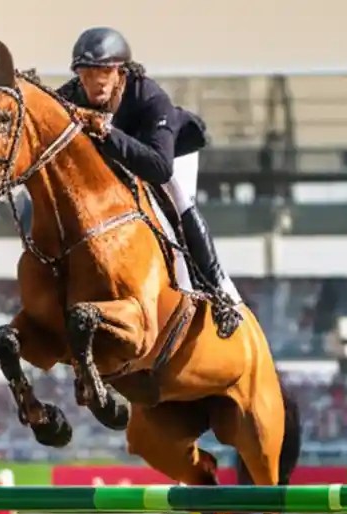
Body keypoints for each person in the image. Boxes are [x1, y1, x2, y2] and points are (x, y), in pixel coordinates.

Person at [45, 27, 244, 338]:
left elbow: (159, 167)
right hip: (121, 159)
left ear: (120, 73)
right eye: (85, 73)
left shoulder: (149, 97)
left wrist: (108, 132)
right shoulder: (71, 96)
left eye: (103, 72)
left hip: (169, 154)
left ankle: (221, 293)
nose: (94, 81)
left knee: (178, 201)